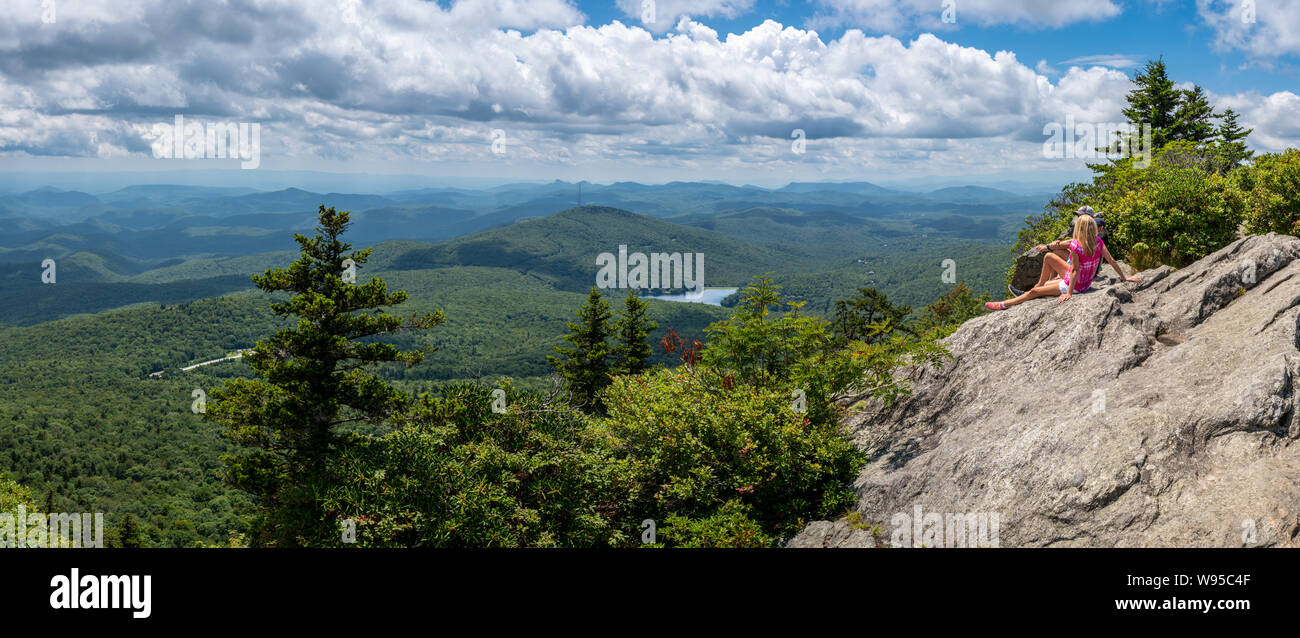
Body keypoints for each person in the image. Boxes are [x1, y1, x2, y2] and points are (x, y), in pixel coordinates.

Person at [986, 214, 1139, 311]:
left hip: (1077, 285)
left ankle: (1004, 304)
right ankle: (1040, 286)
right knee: (1048, 258)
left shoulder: (1076, 246)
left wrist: (1070, 293)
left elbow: (1074, 271)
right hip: (1086, 282)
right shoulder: (1098, 241)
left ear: (1079, 228)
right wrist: (1124, 278)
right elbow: (1111, 260)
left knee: (1034, 293)